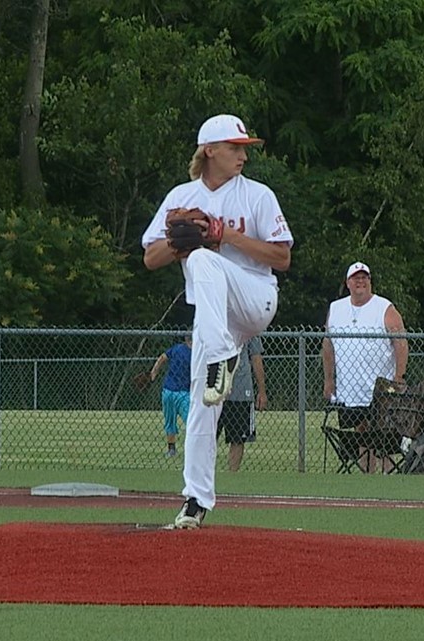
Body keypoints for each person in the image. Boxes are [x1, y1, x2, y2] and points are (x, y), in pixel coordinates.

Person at [141, 114, 293, 529]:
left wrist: (225, 235)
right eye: (234, 147)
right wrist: (179, 240)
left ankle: (222, 354)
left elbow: (282, 258)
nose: (243, 155)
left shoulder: (257, 195)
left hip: (254, 298)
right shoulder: (182, 196)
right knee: (203, 402)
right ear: (210, 150)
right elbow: (150, 257)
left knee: (203, 260)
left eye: (244, 148)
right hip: (213, 318)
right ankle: (196, 500)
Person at [322, 261, 409, 473]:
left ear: (370, 282)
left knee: (385, 439)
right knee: (361, 436)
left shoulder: (385, 308)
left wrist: (399, 377)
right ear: (348, 283)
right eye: (356, 278)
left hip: (381, 391)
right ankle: (366, 477)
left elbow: (401, 343)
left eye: (364, 277)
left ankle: (388, 476)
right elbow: (328, 345)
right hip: (349, 391)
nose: (360, 281)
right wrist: (328, 380)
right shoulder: (336, 309)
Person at [217, 336, 267, 472]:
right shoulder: (214, 325)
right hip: (215, 390)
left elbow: (256, 358)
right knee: (207, 436)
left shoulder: (250, 327)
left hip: (240, 390)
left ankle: (232, 475)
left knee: (238, 438)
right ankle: (204, 474)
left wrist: (262, 391)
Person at [150, 336, 191, 458]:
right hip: (183, 392)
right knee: (191, 421)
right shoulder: (195, 353)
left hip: (168, 390)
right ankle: (188, 449)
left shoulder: (177, 348)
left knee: (170, 421)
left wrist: (154, 372)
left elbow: (162, 357)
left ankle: (171, 449)